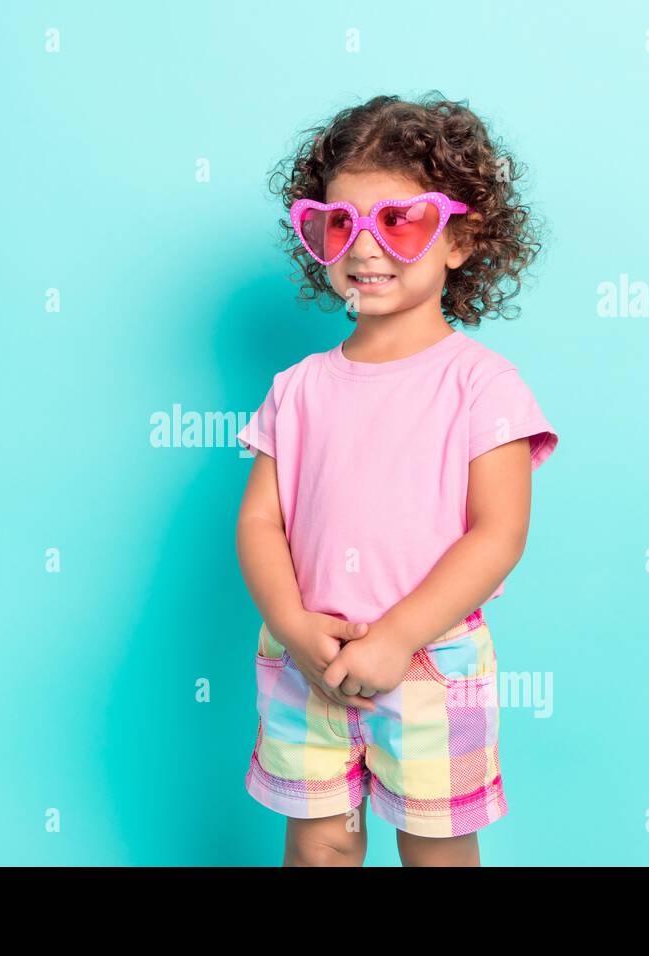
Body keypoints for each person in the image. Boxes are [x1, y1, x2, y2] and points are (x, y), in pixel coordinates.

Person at [236, 92, 560, 867]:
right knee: (319, 849)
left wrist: (396, 639)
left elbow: (499, 534)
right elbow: (259, 523)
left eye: (399, 221)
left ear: (461, 240)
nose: (365, 246)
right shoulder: (297, 388)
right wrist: (292, 626)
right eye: (339, 224)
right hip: (307, 662)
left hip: (428, 665)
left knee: (436, 853)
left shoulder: (483, 387)